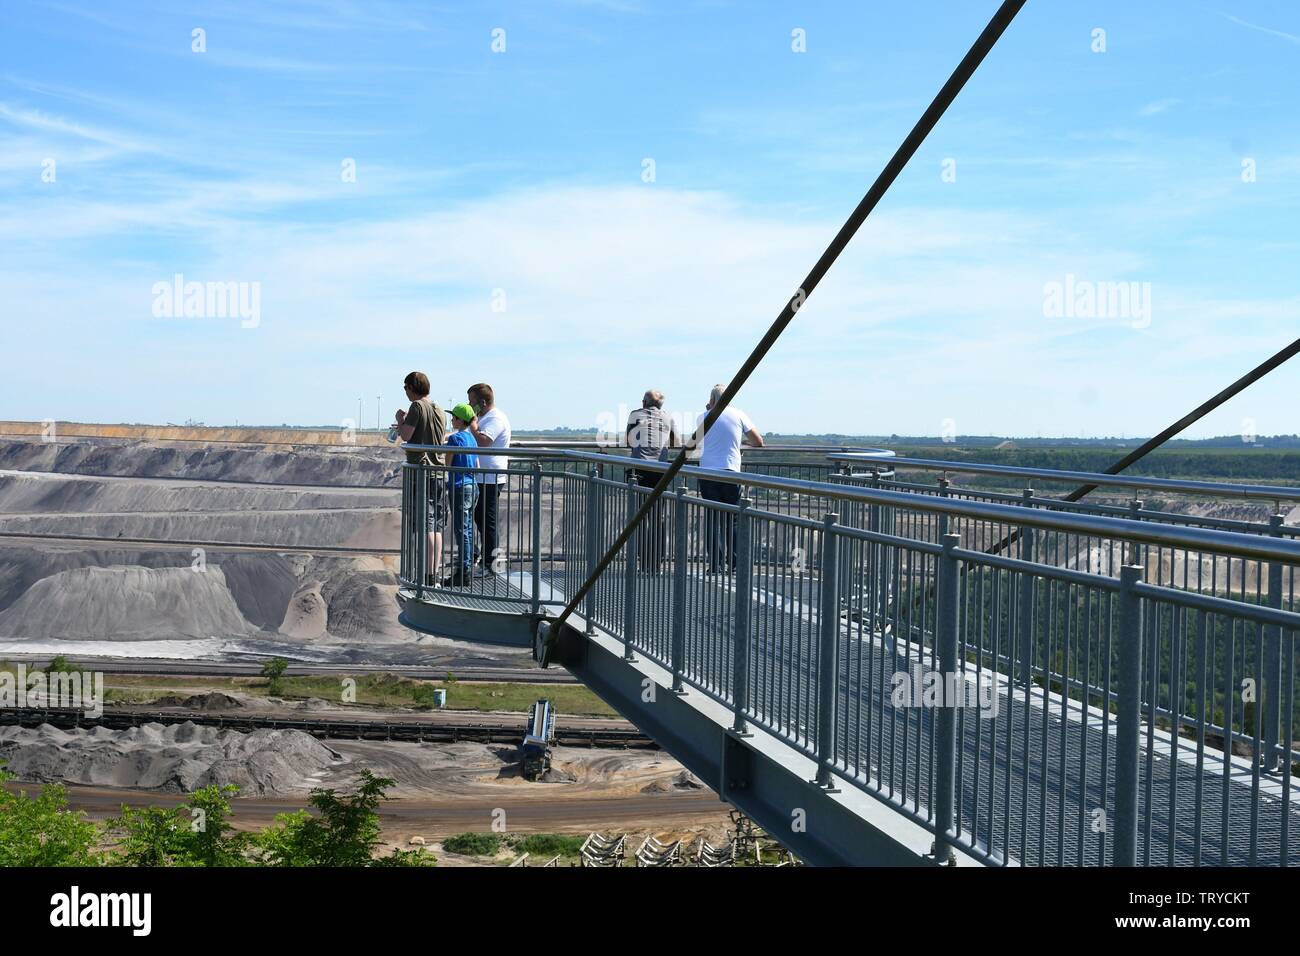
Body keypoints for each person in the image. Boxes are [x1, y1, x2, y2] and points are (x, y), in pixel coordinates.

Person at [692, 384, 763, 572]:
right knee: (732, 520)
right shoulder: (739, 414)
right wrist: (742, 442)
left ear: (712, 399)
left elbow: (696, 443)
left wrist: (709, 410)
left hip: (707, 472)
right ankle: (735, 563)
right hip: (730, 471)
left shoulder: (703, 417)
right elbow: (758, 442)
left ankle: (715, 564)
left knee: (712, 519)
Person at [394, 372, 447, 583]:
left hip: (422, 470)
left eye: (406, 388)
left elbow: (406, 435)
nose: (406, 392)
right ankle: (432, 573)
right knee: (436, 526)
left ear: (411, 387)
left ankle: (425, 575)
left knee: (426, 525)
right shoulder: (439, 408)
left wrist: (400, 421)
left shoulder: (417, 407)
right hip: (438, 471)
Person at [626, 390, 678, 571]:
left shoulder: (635, 415)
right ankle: (656, 561)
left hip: (639, 470)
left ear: (644, 402)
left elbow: (629, 441)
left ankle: (643, 561)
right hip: (661, 472)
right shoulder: (668, 417)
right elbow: (675, 442)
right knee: (658, 517)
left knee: (639, 517)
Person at [466, 383, 512, 574]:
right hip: (482, 476)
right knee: (480, 518)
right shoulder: (486, 417)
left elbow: (484, 442)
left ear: (482, 402)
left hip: (491, 477)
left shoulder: (496, 418)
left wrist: (474, 426)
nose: (470, 406)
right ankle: (485, 558)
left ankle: (491, 564)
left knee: (487, 521)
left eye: (472, 402)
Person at [442, 404, 480, 587]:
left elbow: (448, 464)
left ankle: (463, 572)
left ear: (459, 420)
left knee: (461, 530)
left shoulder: (455, 439)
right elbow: (478, 465)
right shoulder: (472, 439)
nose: (451, 420)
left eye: (454, 417)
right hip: (473, 486)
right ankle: (467, 568)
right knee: (468, 528)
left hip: (459, 487)